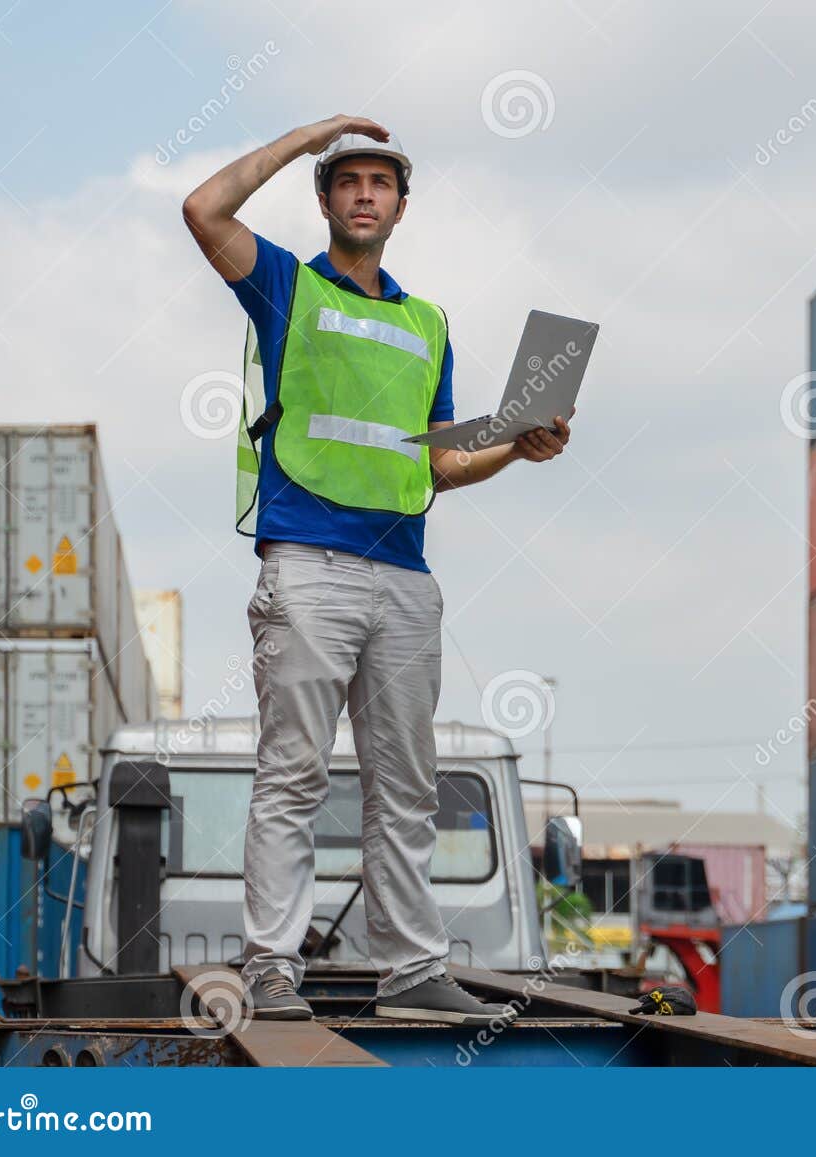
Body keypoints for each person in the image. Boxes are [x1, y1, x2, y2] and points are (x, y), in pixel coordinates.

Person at [181, 114, 572, 1023]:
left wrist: (517, 448)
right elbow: (203, 209)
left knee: (408, 785)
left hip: (403, 575)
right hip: (307, 562)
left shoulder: (428, 323)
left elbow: (442, 463)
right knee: (294, 774)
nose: (365, 194)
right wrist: (309, 135)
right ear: (323, 199)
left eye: (380, 183)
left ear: (401, 206)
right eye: (348, 179)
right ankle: (273, 967)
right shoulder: (285, 286)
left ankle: (412, 972)